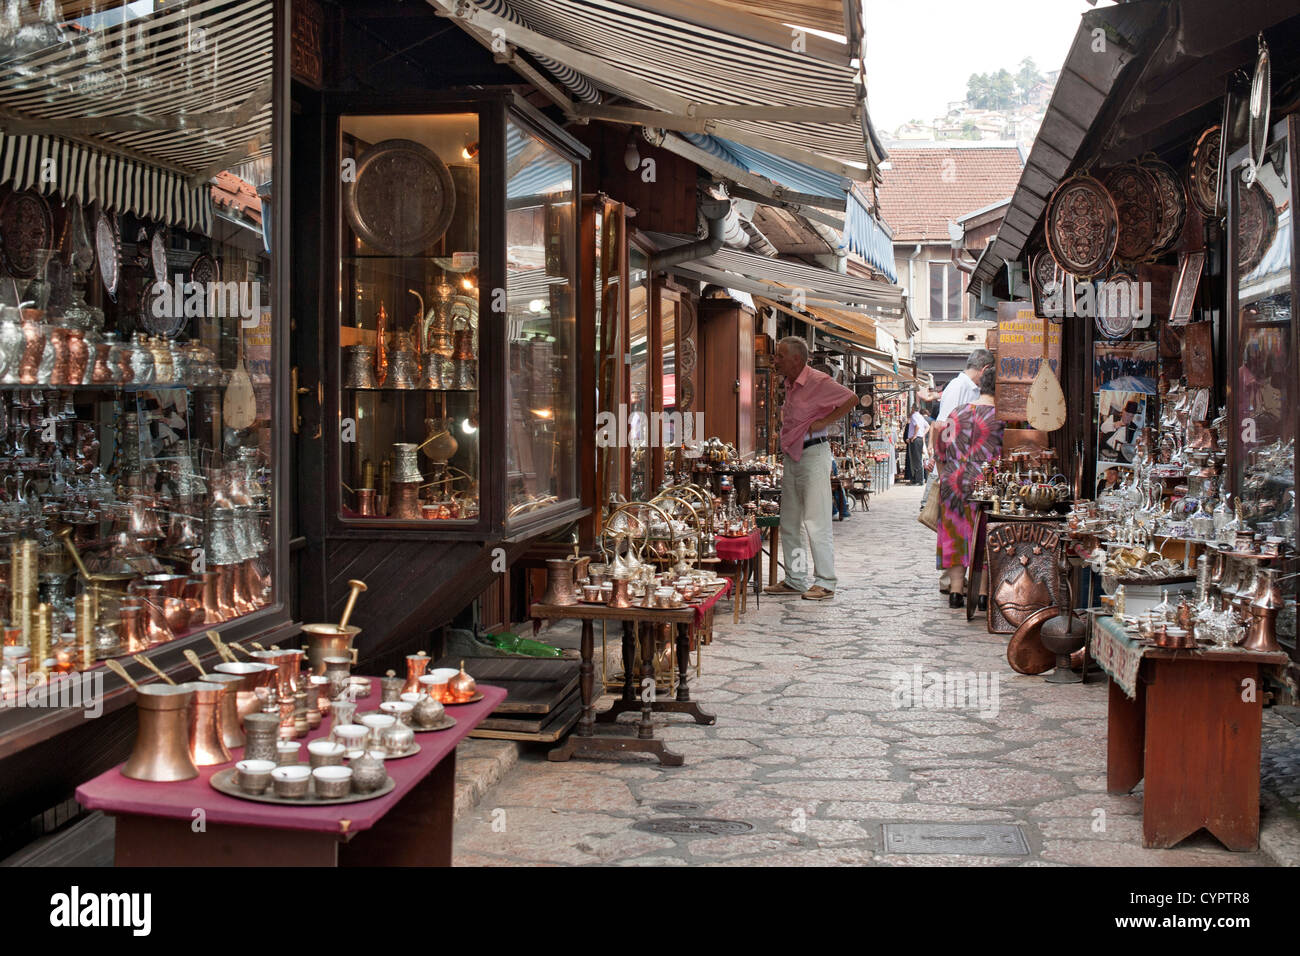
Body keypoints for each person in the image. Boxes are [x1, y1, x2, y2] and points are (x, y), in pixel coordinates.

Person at [764, 336, 858, 601]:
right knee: (790, 522)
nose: (776, 360)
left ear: (796, 359)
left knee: (816, 521)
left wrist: (824, 421)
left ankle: (826, 581)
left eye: (780, 356)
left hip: (814, 453)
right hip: (794, 455)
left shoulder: (818, 380)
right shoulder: (790, 384)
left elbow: (850, 399)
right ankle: (795, 579)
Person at [932, 367, 1003, 610]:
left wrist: (945, 473)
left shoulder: (956, 412)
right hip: (988, 480)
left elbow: (941, 448)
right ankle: (982, 593)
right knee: (983, 532)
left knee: (955, 533)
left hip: (954, 478)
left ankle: (955, 591)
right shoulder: (1003, 417)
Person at [905, 406, 929, 484]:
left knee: (916, 460)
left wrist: (914, 436)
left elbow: (917, 426)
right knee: (917, 459)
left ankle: (918, 480)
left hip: (916, 439)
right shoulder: (921, 417)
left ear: (912, 409)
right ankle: (917, 479)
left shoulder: (914, 416)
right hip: (919, 439)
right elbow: (927, 426)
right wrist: (922, 434)